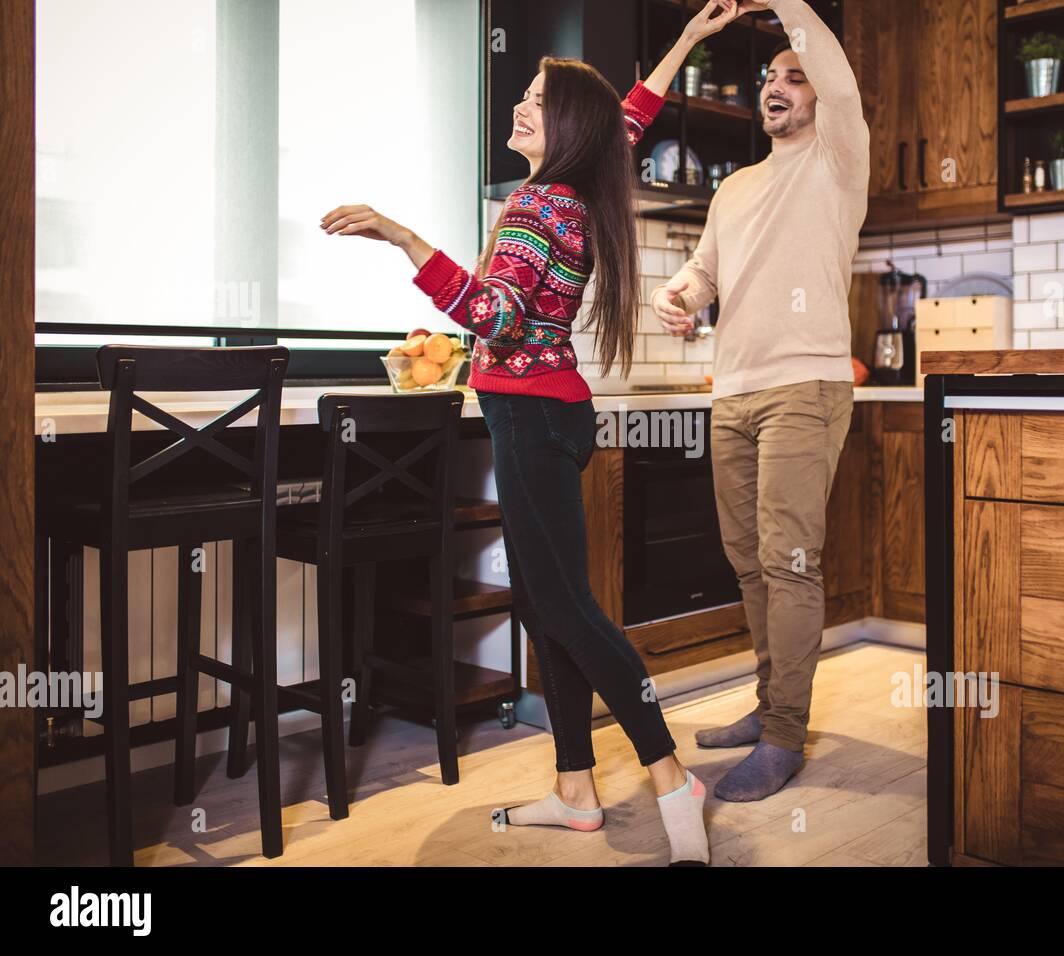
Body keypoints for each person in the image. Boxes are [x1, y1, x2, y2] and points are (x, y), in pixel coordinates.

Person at [320, 0, 746, 867]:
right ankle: (576, 789)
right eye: (521, 93)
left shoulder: (538, 206)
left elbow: (493, 316)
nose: (518, 107)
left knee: (563, 606)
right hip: (552, 413)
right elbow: (628, 116)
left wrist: (403, 237)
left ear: (566, 127)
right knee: (548, 607)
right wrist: (689, 42)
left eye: (536, 99)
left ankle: (669, 776)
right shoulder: (581, 187)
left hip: (526, 413)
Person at [651, 0, 871, 802]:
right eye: (769, 76)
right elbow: (704, 274)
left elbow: (841, 86)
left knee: (790, 562)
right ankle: (769, 703)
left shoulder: (839, 159)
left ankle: (784, 736)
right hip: (733, 390)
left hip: (803, 387)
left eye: (793, 75)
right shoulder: (735, 187)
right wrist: (677, 295)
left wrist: (785, 8)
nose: (775, 86)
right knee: (749, 564)